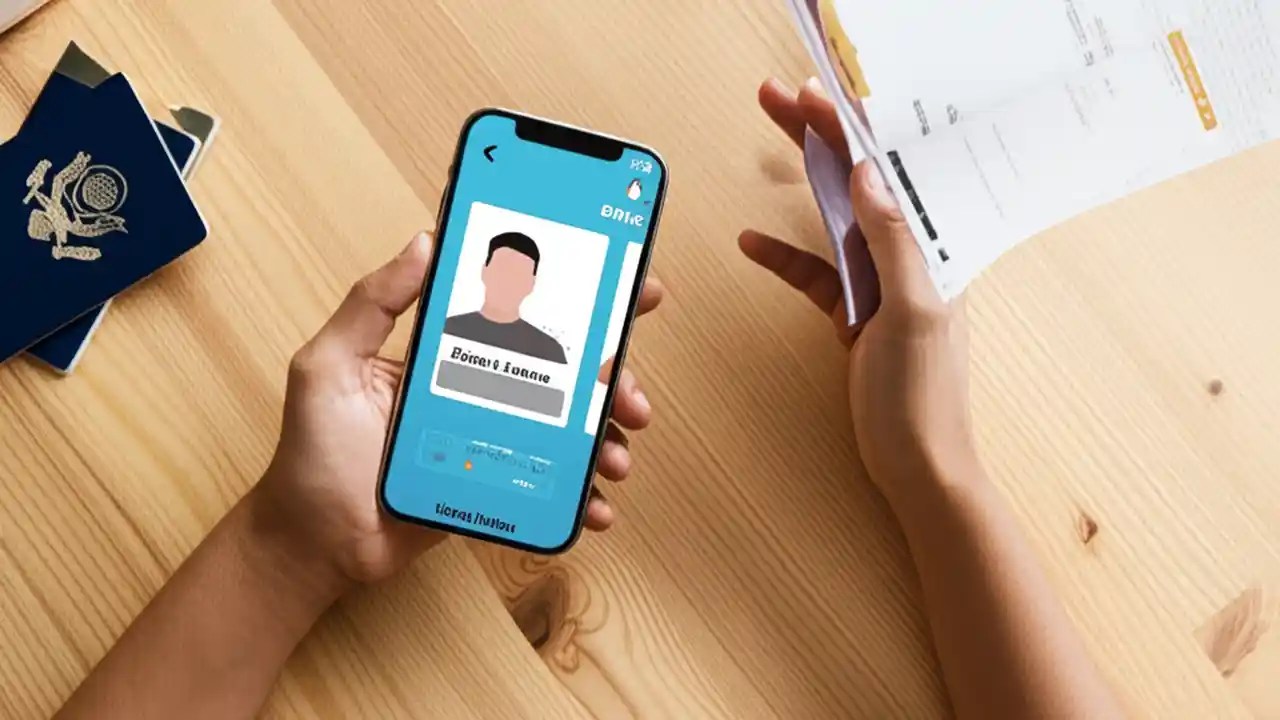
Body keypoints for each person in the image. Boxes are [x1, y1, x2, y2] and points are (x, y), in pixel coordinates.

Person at [55, 78, 1122, 719]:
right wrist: (932, 475)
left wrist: (291, 548)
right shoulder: (466, 333)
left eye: (525, 277)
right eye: (502, 275)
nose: (512, 287)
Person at [443, 231, 568, 364]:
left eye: (519, 274)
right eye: (502, 269)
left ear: (531, 284)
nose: (508, 281)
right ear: (485, 271)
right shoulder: (447, 330)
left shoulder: (549, 352)